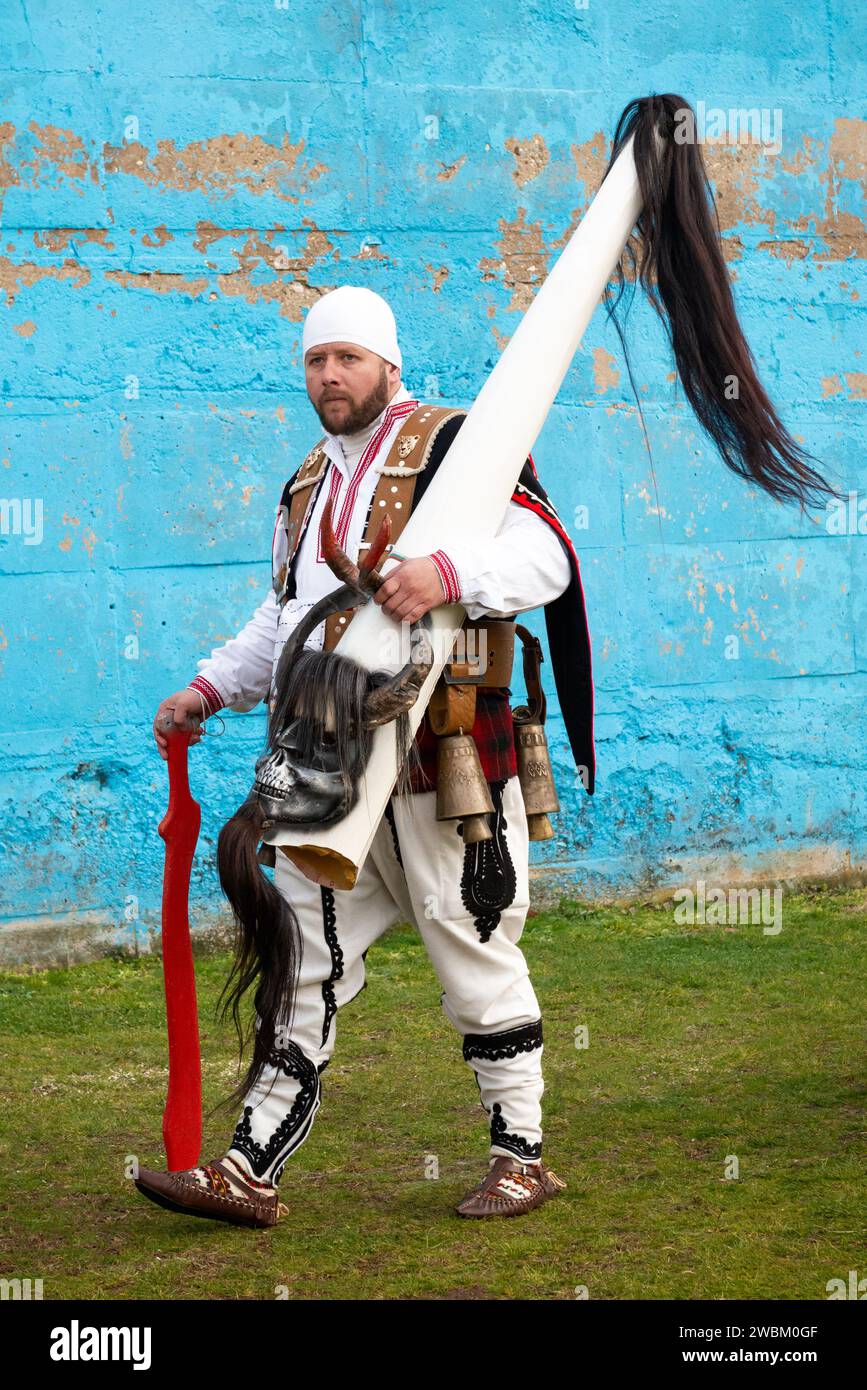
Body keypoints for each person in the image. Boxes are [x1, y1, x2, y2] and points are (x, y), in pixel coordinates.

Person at [139, 286, 595, 1227]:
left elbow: (548, 555)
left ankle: (521, 1158)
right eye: (315, 360)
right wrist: (210, 688)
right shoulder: (306, 479)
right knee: (299, 956)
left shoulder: (459, 445)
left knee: (469, 945)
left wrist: (449, 573)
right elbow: (288, 616)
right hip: (328, 763)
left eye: (347, 357)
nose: (330, 375)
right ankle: (249, 1170)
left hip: (444, 758)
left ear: (389, 364)